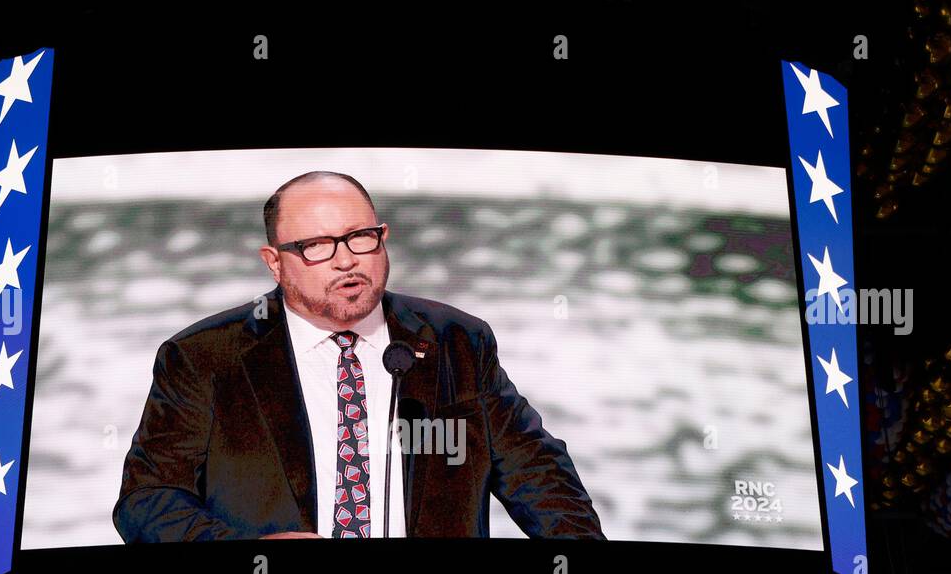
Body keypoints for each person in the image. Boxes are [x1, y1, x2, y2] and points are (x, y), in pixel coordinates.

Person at [114, 170, 604, 541]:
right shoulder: (203, 358)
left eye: (359, 238)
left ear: (382, 238)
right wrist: (248, 557)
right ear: (274, 262)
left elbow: (541, 477)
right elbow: (147, 499)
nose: (347, 259)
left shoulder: (458, 342)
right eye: (318, 247)